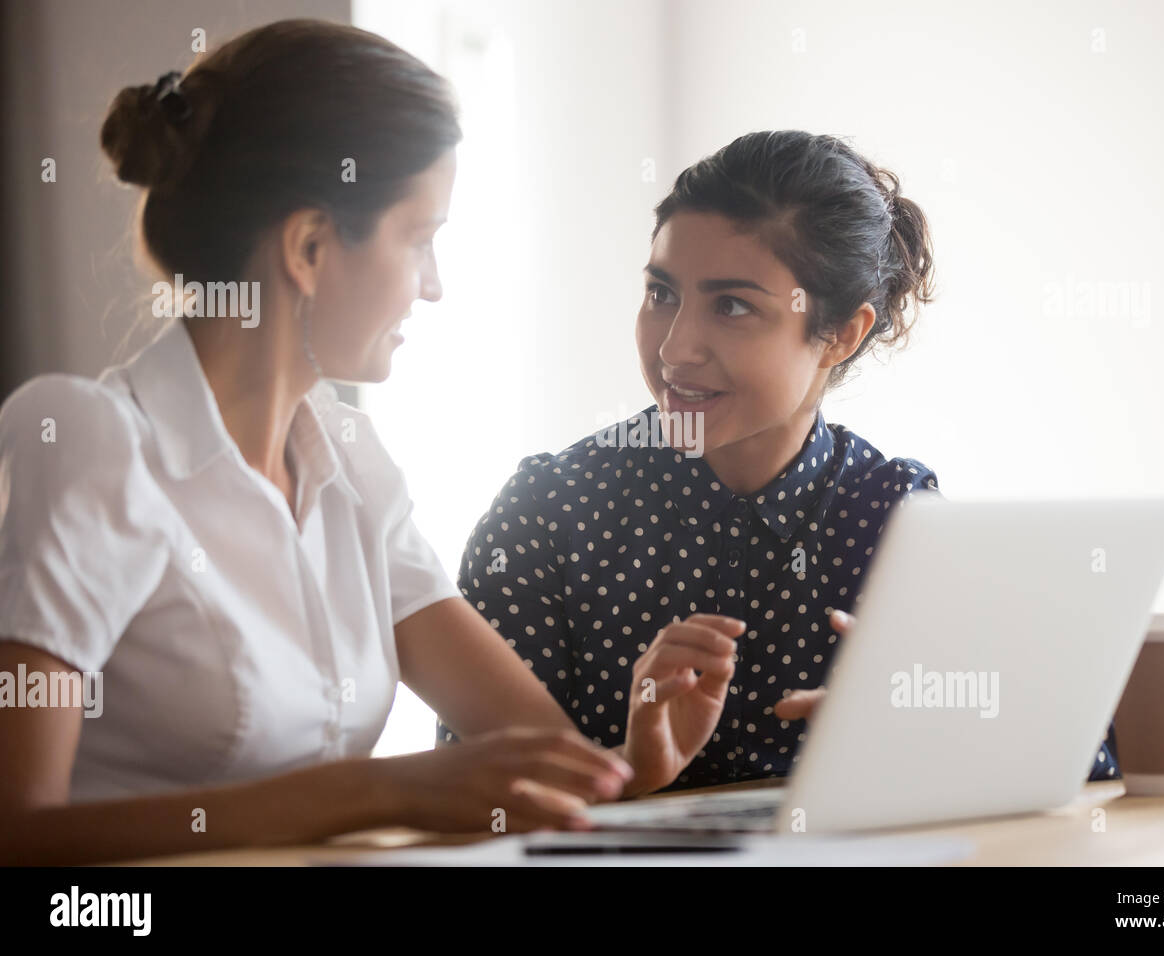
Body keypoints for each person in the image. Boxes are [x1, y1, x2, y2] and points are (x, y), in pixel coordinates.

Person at [0, 18, 703, 866]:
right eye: (419, 239)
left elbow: (535, 754)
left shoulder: (350, 460)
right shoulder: (91, 441)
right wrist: (384, 789)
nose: (434, 287)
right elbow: (18, 830)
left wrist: (634, 764)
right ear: (308, 247)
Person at [440, 130, 1122, 790]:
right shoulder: (548, 514)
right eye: (662, 294)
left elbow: (1086, 756)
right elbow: (473, 802)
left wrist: (944, 732)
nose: (676, 348)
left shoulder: (898, 519)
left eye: (732, 306)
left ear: (840, 335)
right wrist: (631, 764)